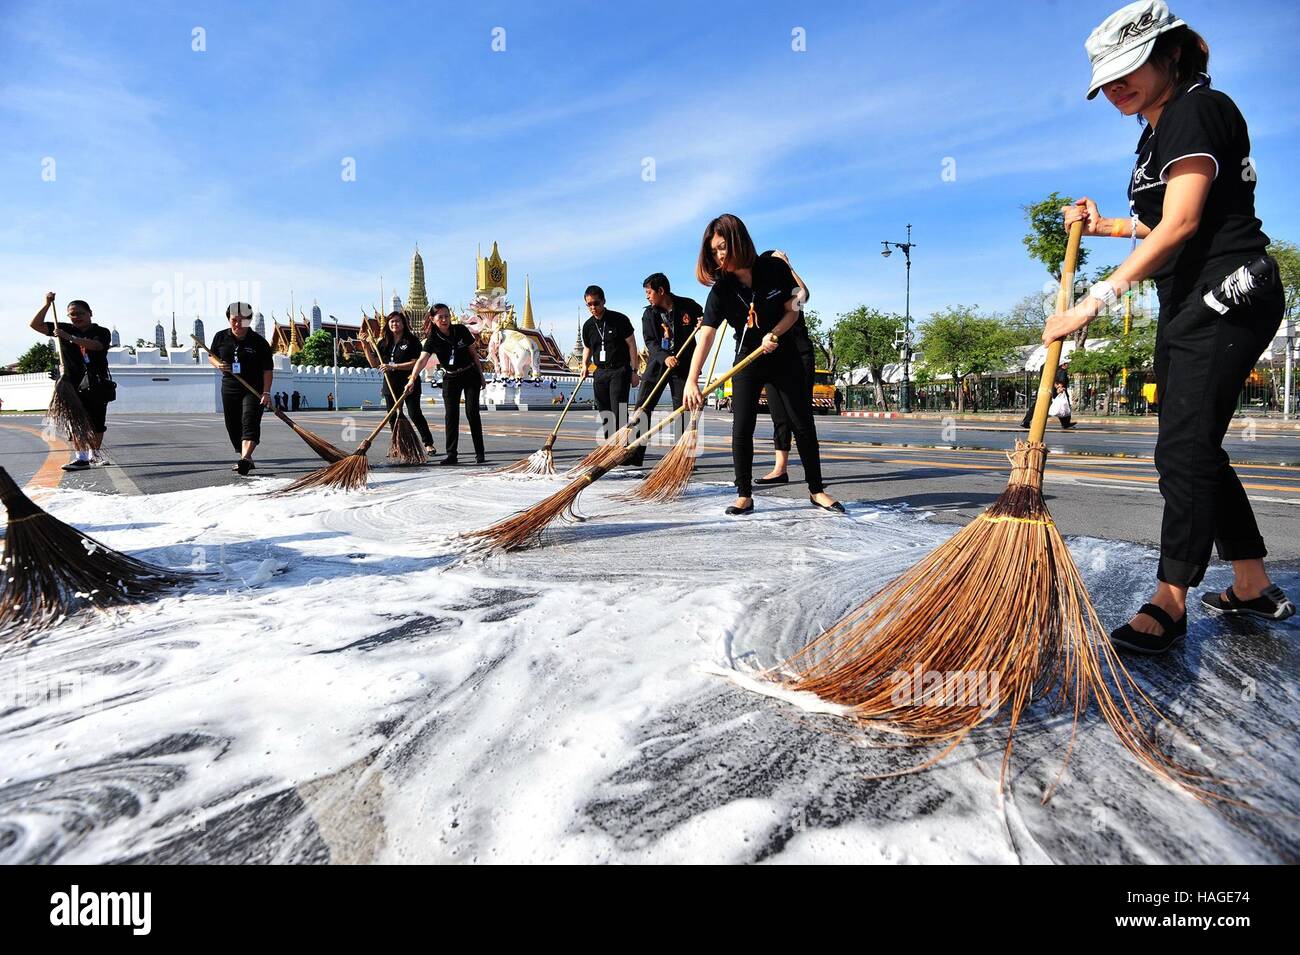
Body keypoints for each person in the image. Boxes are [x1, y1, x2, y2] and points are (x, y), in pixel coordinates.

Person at [1044, 1, 1294, 653]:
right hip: (1190, 295)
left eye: (1128, 68)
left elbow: (1185, 226)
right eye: (1106, 78)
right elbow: (1165, 224)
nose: (1115, 87)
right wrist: (1106, 228)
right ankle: (1250, 583)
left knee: (1181, 448)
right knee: (1196, 446)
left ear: (1170, 54)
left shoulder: (1197, 109)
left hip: (1227, 289)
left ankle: (1170, 599)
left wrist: (1092, 301)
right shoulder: (1156, 135)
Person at [683, 214, 843, 516]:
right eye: (713, 251)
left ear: (738, 241)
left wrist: (774, 333)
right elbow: (706, 335)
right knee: (742, 425)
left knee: (802, 423)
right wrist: (693, 380)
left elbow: (794, 309)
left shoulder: (774, 269)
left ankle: (817, 490)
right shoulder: (721, 291)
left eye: (722, 248)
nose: (718, 256)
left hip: (784, 355)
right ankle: (744, 494)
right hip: (747, 359)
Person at [29, 291, 112, 470]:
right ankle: (81, 457)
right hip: (71, 382)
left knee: (97, 422)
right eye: (72, 314)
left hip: (96, 381)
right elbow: (35, 325)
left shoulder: (101, 332)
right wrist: (46, 304)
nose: (77, 317)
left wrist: (70, 338)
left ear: (90, 313)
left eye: (81, 313)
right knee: (76, 420)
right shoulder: (62, 327)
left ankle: (95, 454)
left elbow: (97, 346)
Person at [754, 250, 818, 485]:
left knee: (801, 416)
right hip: (773, 356)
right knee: (778, 415)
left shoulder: (788, 285)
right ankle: (780, 469)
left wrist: (788, 266)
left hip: (799, 355)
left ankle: (813, 476)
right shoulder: (764, 290)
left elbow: (804, 295)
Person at [632, 273, 702, 466]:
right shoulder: (649, 314)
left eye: (649, 292)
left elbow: (705, 317)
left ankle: (682, 458)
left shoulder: (688, 305)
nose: (647, 296)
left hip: (682, 367)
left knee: (683, 410)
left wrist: (702, 322)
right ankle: (634, 453)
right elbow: (651, 343)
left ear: (661, 291)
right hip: (657, 366)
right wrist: (665, 357)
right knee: (642, 408)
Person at [407, 303, 485, 465]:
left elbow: (474, 353)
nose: (444, 319)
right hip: (451, 377)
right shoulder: (432, 339)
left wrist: (481, 375)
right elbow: (422, 360)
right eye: (440, 317)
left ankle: (480, 452)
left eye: (447, 316)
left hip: (470, 374)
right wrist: (412, 378)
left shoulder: (461, 330)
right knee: (451, 416)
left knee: (472, 412)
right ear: (433, 319)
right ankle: (452, 455)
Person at [208, 302, 273, 475]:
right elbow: (211, 356)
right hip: (230, 387)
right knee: (232, 424)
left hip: (253, 388)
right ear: (229, 319)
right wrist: (219, 365)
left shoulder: (259, 343)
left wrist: (266, 392)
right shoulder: (220, 337)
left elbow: (267, 370)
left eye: (242, 320)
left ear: (249, 320)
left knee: (250, 420)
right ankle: (246, 457)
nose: (237, 324)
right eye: (234, 320)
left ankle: (245, 459)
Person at [360, 311, 436, 455]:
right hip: (390, 383)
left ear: (403, 324)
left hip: (409, 382)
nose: (395, 324)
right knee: (393, 416)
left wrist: (393, 366)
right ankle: (397, 445)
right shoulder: (383, 343)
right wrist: (365, 346)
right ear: (388, 325)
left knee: (415, 413)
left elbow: (415, 363)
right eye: (392, 322)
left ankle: (428, 443)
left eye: (397, 321)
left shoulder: (412, 341)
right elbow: (374, 363)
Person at [580, 285, 640, 457]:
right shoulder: (588, 326)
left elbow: (632, 345)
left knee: (618, 411)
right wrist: (585, 365)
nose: (593, 308)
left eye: (596, 303)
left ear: (604, 301)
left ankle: (623, 449)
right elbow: (587, 347)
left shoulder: (619, 319)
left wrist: (634, 371)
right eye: (589, 304)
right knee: (605, 412)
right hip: (600, 372)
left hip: (619, 370)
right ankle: (610, 447)